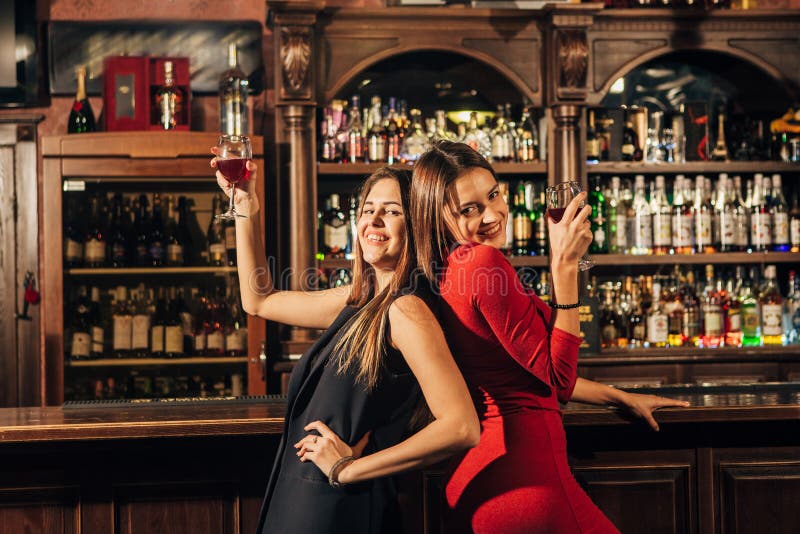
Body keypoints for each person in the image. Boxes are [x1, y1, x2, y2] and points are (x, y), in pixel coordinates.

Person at [409, 141, 689, 534]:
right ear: (437, 215)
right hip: (525, 479)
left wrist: (616, 397)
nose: (493, 215)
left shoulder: (446, 268)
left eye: (494, 195)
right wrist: (565, 268)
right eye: (470, 210)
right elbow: (555, 379)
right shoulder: (483, 264)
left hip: (481, 478)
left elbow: (525, 370)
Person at [210, 157, 480, 534]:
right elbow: (258, 301)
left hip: (339, 508)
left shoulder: (406, 310)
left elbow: (462, 426)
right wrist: (244, 205)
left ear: (417, 226)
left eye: (392, 211)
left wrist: (349, 468)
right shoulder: (361, 300)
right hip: (301, 498)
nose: (374, 220)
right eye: (368, 209)